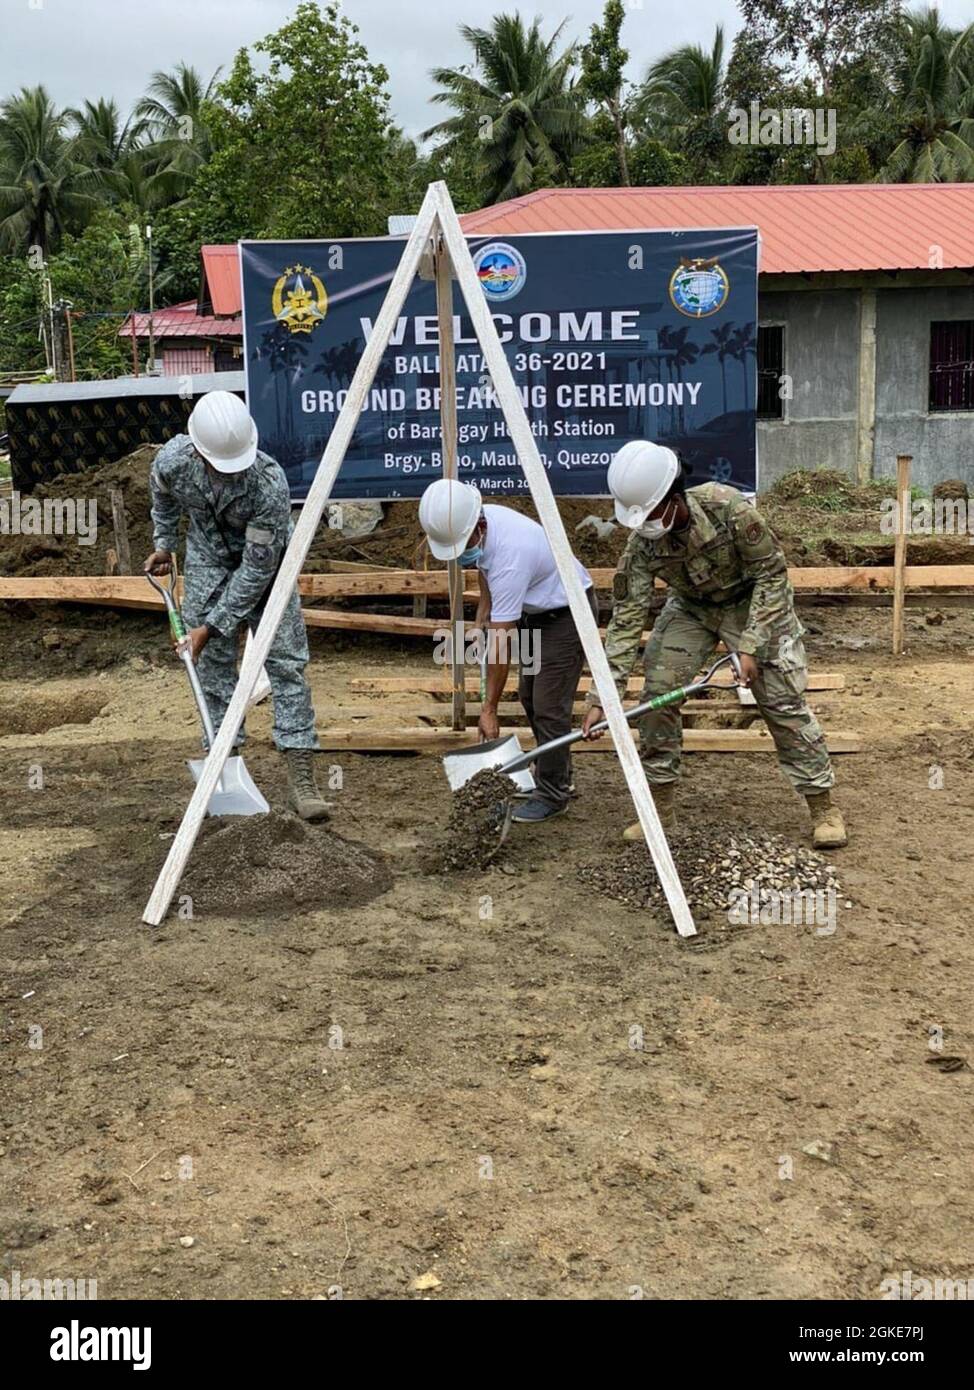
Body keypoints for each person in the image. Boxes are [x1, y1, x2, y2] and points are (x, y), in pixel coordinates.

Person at [581, 439, 847, 849]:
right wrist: (604, 695)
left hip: (751, 602)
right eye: (637, 518)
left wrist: (751, 645)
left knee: (781, 703)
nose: (644, 524)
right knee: (658, 696)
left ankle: (823, 807)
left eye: (650, 513)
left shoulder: (729, 509)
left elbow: (773, 575)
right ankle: (660, 811)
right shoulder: (640, 546)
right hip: (691, 609)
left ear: (673, 497)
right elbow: (625, 622)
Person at [143, 390, 330, 821]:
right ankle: (223, 768)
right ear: (198, 451)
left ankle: (302, 780)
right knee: (212, 669)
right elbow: (162, 494)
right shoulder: (174, 460)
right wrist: (165, 543)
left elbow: (255, 571)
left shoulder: (269, 483)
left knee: (285, 664)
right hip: (208, 559)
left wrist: (210, 627)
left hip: (266, 571)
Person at [419, 478, 596, 823]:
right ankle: (556, 771)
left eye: (463, 545)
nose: (460, 555)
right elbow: (483, 566)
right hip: (537, 607)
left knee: (548, 705)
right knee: (531, 696)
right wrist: (482, 613)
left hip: (567, 612)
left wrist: (488, 709)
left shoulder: (511, 559)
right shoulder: (481, 523)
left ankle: (554, 793)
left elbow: (500, 645)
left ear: (479, 528)